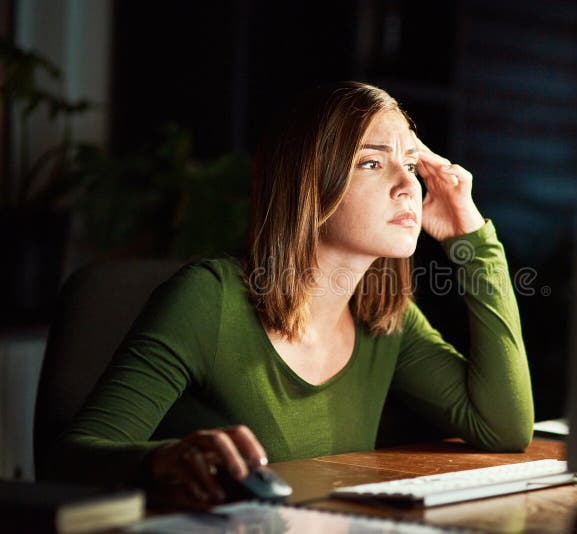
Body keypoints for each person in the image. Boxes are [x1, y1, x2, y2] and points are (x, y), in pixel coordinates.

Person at [42, 81, 534, 509]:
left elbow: (504, 428)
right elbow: (71, 458)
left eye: (411, 164)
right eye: (371, 162)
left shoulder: (386, 318)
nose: (409, 183)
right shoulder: (208, 300)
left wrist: (471, 237)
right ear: (309, 185)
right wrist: (169, 458)